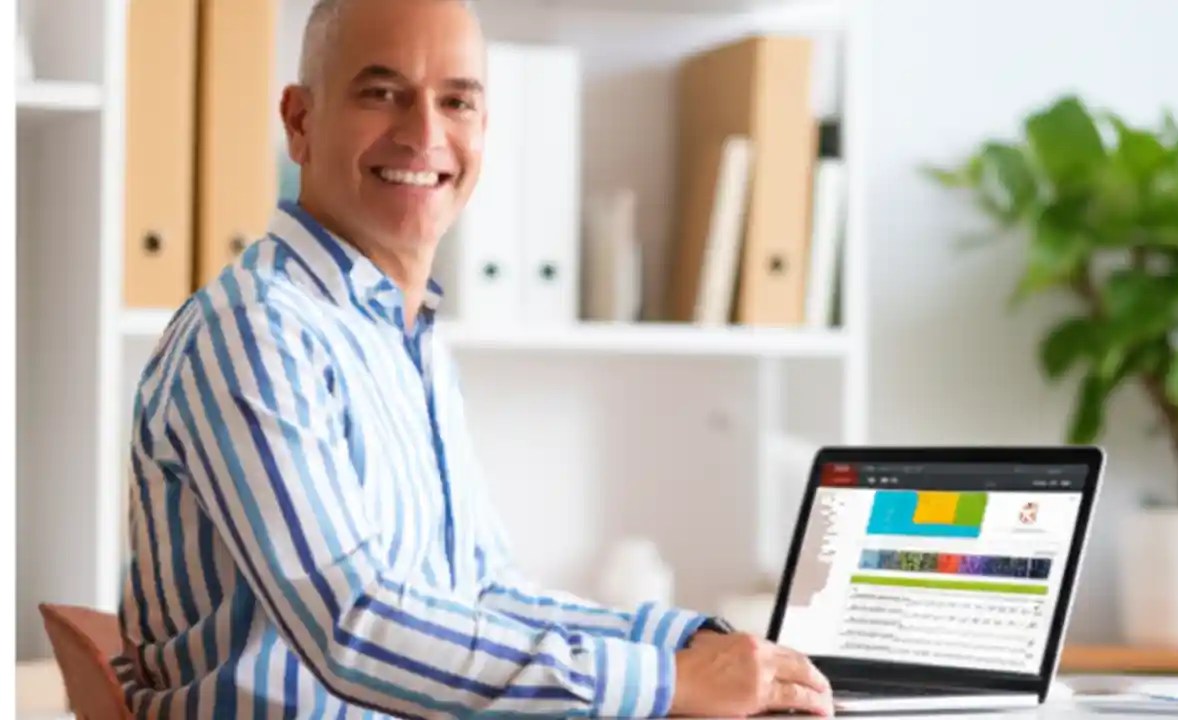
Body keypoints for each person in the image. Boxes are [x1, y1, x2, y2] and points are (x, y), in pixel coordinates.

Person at [116, 0, 834, 716]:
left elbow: (482, 597)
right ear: (300, 121)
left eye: (456, 101)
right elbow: (353, 629)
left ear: (482, 130)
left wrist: (690, 643)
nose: (425, 134)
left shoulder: (401, 333)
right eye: (382, 93)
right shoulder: (256, 332)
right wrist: (669, 684)